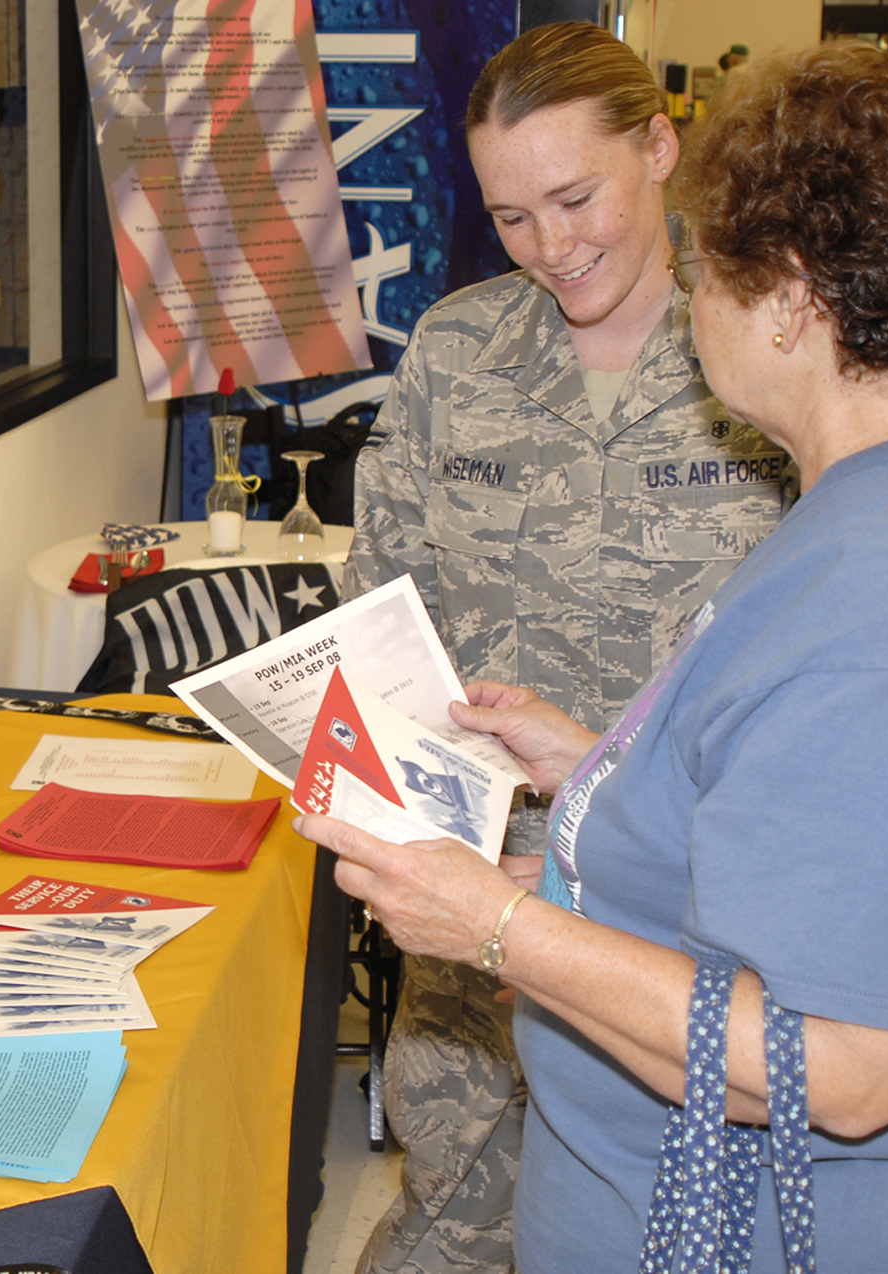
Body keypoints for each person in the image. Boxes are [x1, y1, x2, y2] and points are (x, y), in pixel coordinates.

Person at [310, 42, 888, 1272]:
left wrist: (498, 923)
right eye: (513, 215)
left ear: (789, 297)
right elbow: (803, 787)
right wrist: (599, 774)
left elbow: (845, 1063)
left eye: (718, 272)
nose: (697, 306)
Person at [340, 23, 789, 1274]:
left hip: (685, 905)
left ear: (660, 148)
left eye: (576, 198)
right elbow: (384, 605)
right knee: (453, 1212)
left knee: (668, 1225)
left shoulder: (768, 345)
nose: (551, 244)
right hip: (475, 876)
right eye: (511, 216)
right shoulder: (457, 351)